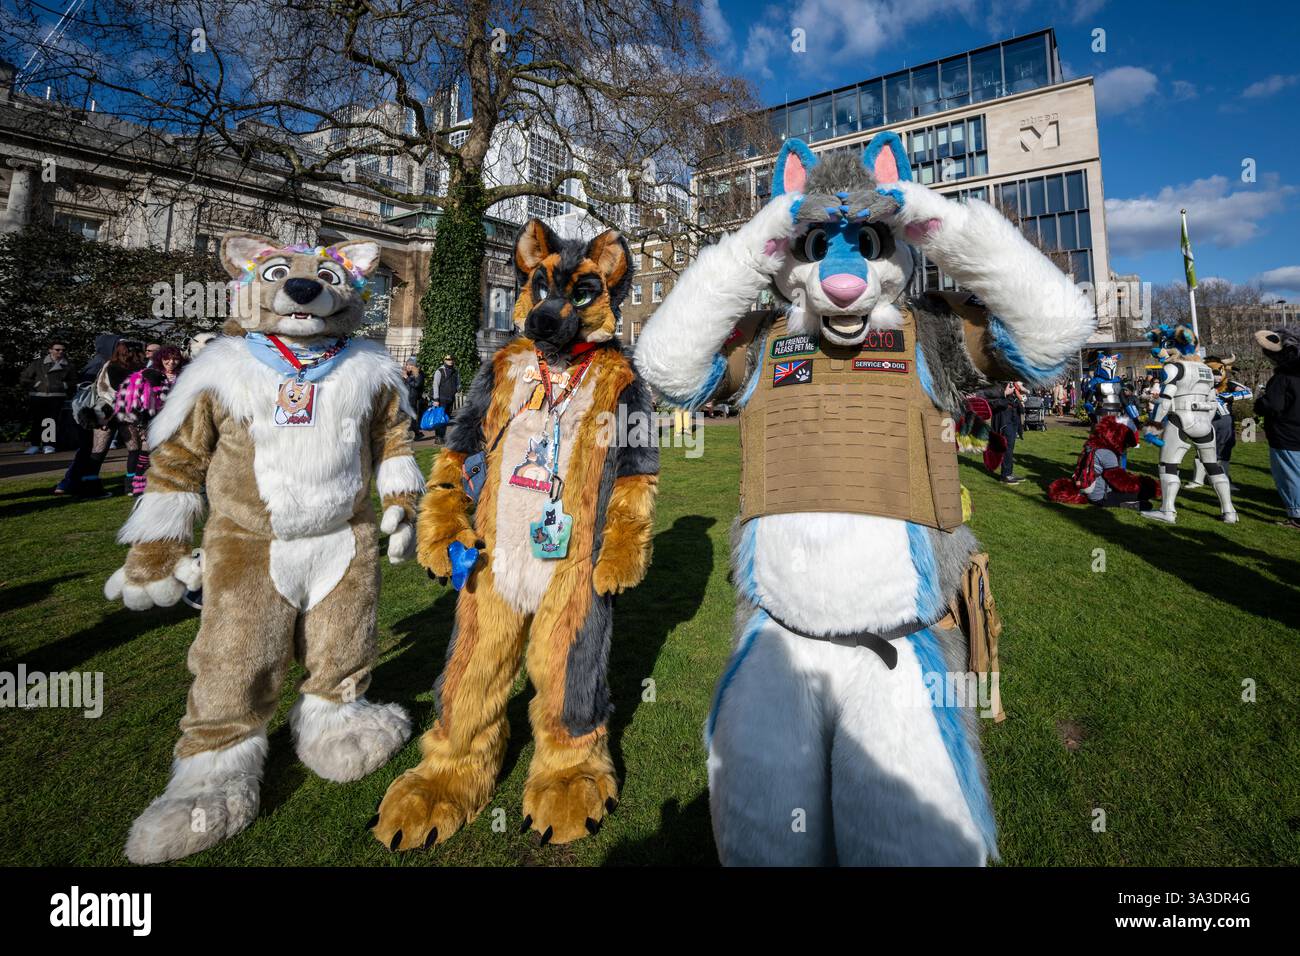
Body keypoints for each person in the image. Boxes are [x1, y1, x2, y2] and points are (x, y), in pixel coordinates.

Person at [54, 335, 131, 498]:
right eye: (121, 344)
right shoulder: (102, 363)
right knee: (89, 450)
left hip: (94, 412)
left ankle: (72, 483)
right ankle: (70, 483)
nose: (125, 347)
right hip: (94, 412)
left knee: (89, 450)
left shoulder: (103, 361)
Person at [114, 345, 186, 495]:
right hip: (154, 420)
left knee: (173, 453)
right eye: (168, 359)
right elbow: (131, 394)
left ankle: (170, 482)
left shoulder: (185, 375)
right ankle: (138, 483)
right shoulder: (149, 374)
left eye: (175, 359)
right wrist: (140, 417)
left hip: (178, 421)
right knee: (146, 452)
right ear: (161, 359)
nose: (171, 362)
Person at [1254, 326, 1300, 530]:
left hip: (1286, 435)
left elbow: (1272, 405)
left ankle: (1297, 515)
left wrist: (1260, 404)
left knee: (1289, 474)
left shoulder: (1283, 379)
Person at [20, 342, 73, 454]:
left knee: (50, 421)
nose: (60, 352)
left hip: (56, 396)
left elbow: (74, 381)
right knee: (37, 420)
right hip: (38, 396)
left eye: (63, 350)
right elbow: (24, 378)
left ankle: (48, 444)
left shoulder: (68, 365)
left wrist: (63, 386)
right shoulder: (38, 364)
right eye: (57, 349)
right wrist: (37, 385)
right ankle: (35, 444)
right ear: (50, 350)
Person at [984, 382, 1025, 483]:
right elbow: (990, 403)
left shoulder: (1011, 383)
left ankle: (1008, 473)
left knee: (1010, 447)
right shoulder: (994, 384)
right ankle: (1005, 475)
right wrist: (1005, 393)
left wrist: (1018, 394)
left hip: (1013, 416)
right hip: (1004, 419)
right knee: (1007, 447)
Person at [428, 353, 459, 443]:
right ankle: (438, 437)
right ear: (444, 360)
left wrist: (456, 389)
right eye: (448, 359)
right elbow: (435, 385)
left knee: (446, 418)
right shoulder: (440, 371)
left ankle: (442, 436)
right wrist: (436, 399)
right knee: (439, 418)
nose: (450, 361)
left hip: (450, 398)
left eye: (451, 359)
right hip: (441, 399)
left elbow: (458, 383)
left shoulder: (455, 371)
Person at [402, 357, 425, 440]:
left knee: (411, 418)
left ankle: (417, 434)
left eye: (411, 365)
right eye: (407, 364)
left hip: (413, 399)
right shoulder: (407, 374)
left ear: (415, 366)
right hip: (405, 398)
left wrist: (406, 378)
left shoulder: (419, 374)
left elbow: (417, 385)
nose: (408, 366)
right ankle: (416, 433)